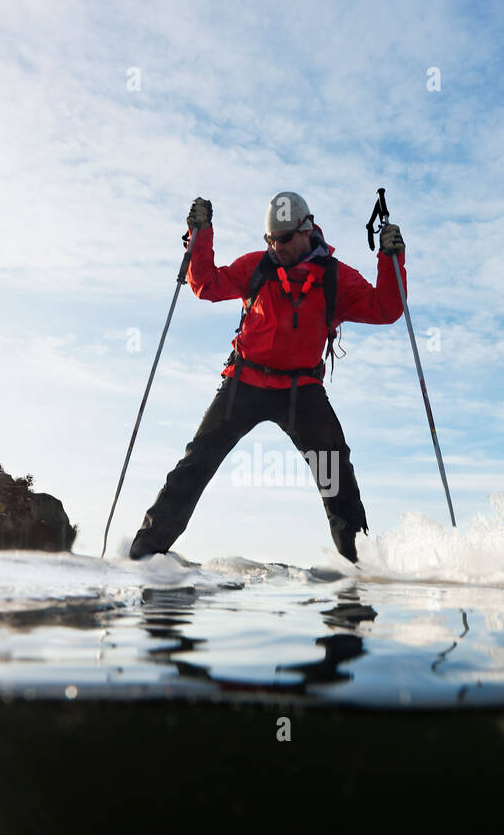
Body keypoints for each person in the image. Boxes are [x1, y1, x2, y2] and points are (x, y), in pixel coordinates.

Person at [130, 191, 406, 564]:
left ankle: (359, 568)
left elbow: (387, 308)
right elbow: (206, 285)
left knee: (335, 475)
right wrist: (201, 234)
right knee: (196, 463)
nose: (278, 246)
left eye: (285, 238)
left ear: (307, 229)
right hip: (244, 382)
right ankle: (144, 557)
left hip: (301, 391)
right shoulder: (258, 267)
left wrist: (391, 259)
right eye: (271, 239)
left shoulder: (335, 278)